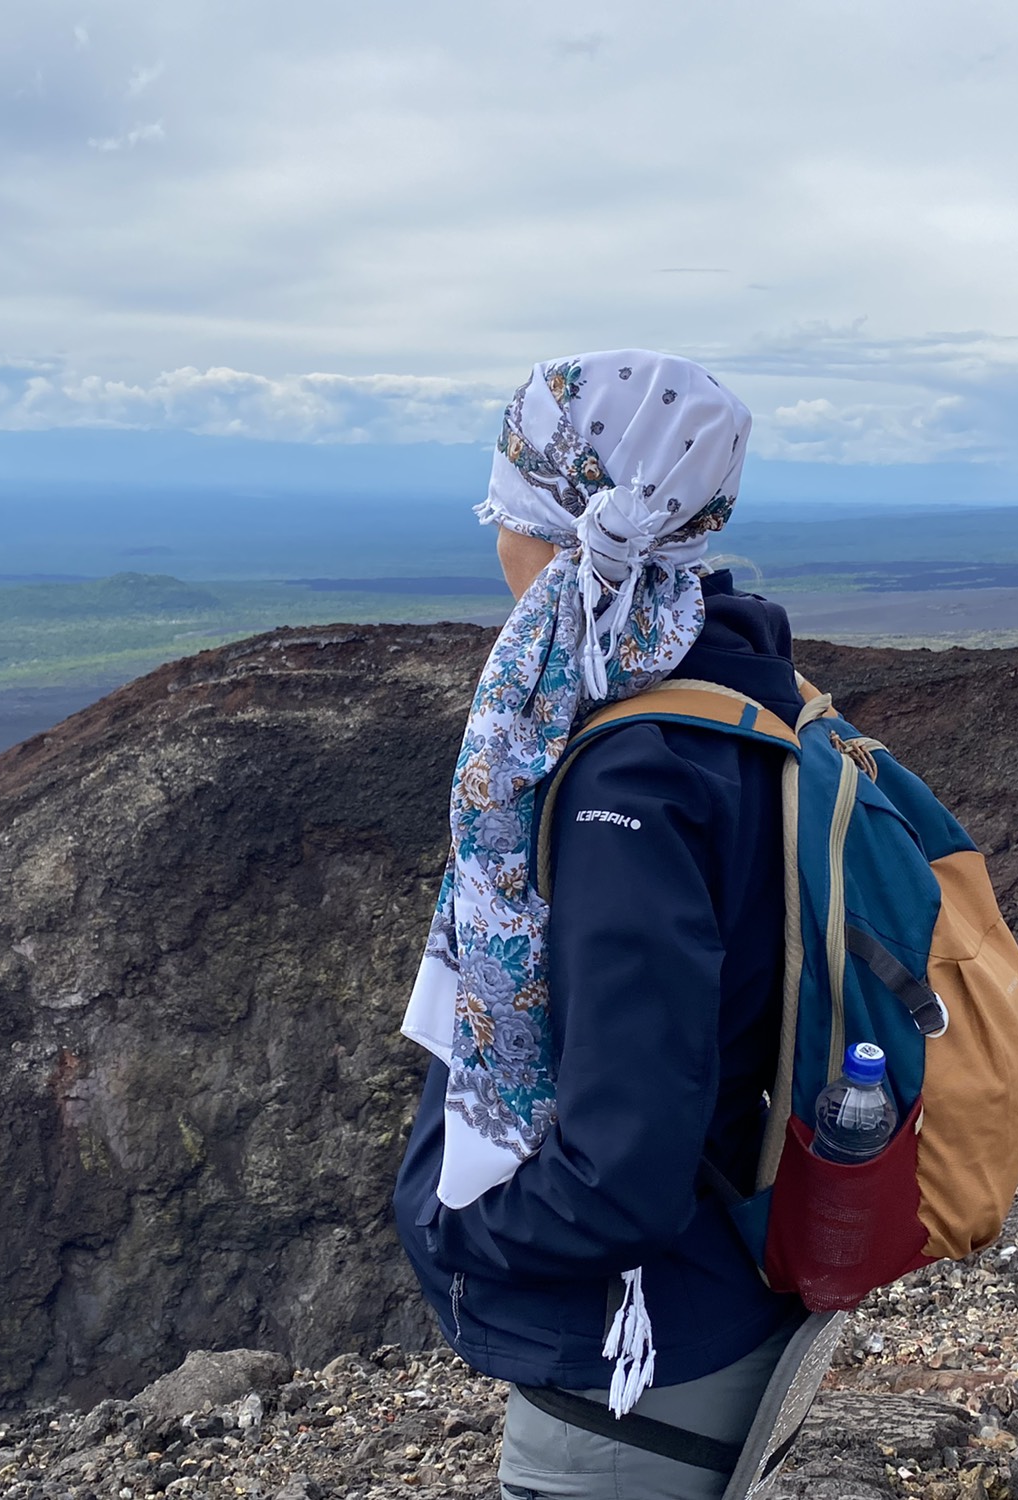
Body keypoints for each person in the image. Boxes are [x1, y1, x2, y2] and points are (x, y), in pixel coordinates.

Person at [394, 350, 806, 1500]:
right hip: (712, 1293)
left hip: (637, 1368)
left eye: (502, 506)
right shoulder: (732, 696)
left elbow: (621, 1168)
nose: (494, 542)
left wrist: (454, 1229)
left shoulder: (624, 772)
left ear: (549, 520)